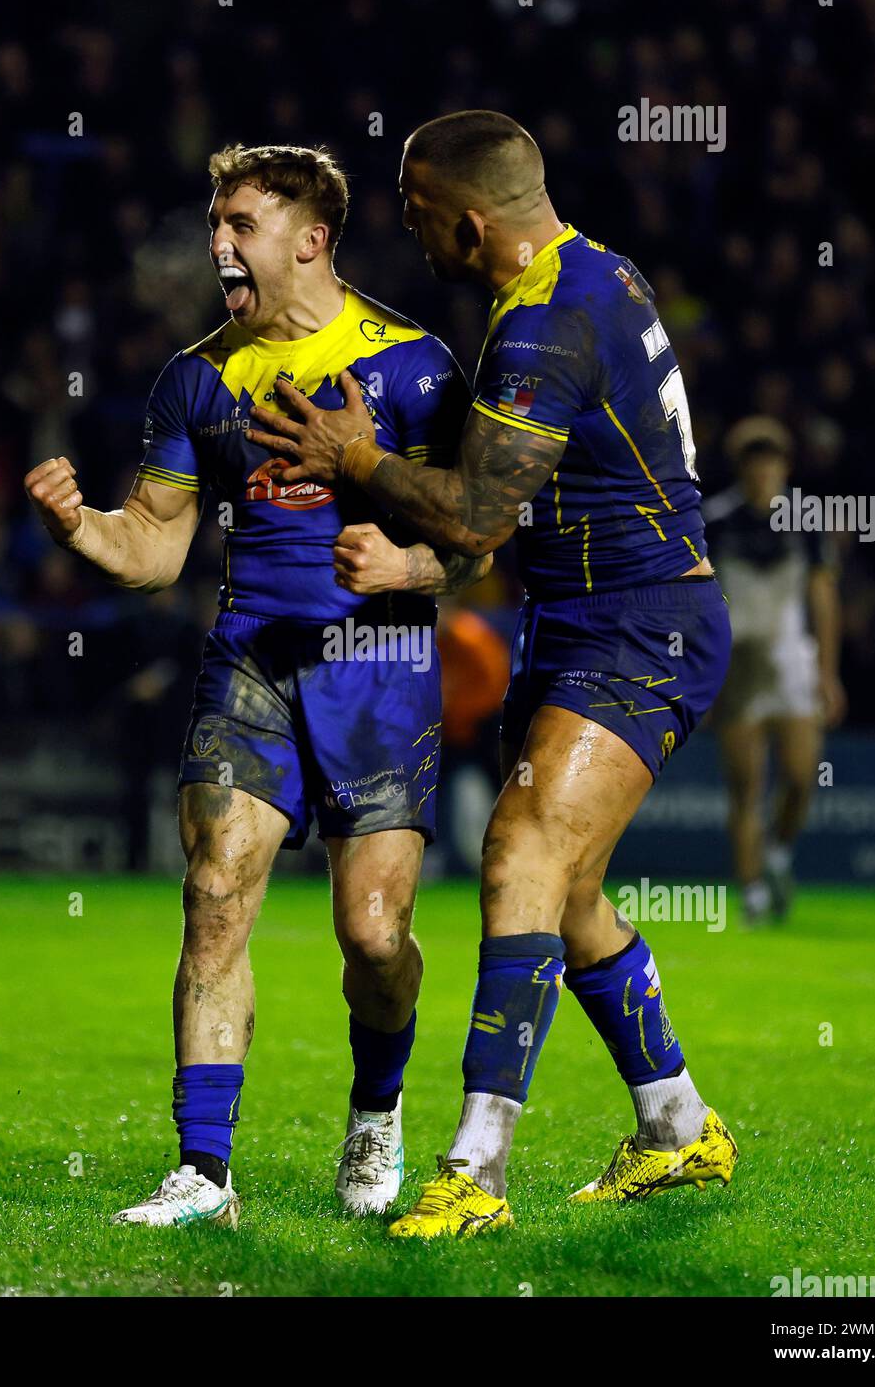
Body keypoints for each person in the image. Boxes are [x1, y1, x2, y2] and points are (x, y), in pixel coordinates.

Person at [247, 111, 737, 1236]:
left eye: (416, 212)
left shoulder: (542, 328)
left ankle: (476, 1169)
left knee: (517, 846)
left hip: (636, 624)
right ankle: (677, 1125)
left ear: (470, 221)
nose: (407, 231)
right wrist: (407, 530)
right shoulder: (592, 275)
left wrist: (355, 459)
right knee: (561, 892)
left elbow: (476, 512)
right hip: (575, 622)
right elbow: (496, 510)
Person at [25, 143, 486, 1229]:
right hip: (252, 659)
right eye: (215, 221)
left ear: (309, 238)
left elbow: (478, 539)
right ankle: (204, 1168)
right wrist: (80, 523)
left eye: (240, 222)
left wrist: (410, 568)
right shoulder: (197, 375)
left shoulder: (412, 368)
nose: (218, 241)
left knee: (373, 938)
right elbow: (153, 547)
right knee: (216, 887)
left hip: (379, 664)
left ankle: (376, 1110)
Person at [704, 416, 846, 924]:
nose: (763, 469)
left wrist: (828, 673)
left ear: (784, 465)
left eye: (771, 459)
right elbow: (703, 605)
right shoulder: (715, 521)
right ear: (742, 466)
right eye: (754, 459)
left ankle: (779, 852)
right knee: (745, 785)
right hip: (739, 662)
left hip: (792, 660)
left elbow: (824, 599)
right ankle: (753, 894)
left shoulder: (806, 522)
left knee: (801, 776)